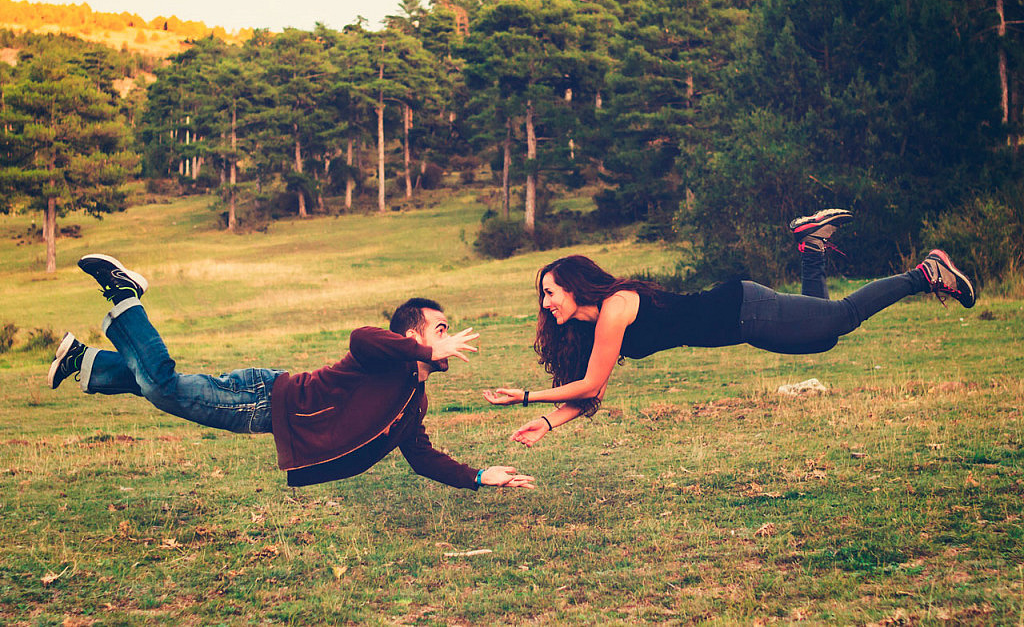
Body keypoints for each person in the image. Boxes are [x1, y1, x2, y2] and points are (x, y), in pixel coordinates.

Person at [484, 209, 976, 447]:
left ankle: (925, 273)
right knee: (824, 335)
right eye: (542, 296)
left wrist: (526, 398)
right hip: (744, 320)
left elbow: (590, 384)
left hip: (743, 308)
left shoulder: (615, 307)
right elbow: (592, 393)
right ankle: (812, 246)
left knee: (842, 318)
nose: (545, 304)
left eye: (550, 292)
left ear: (573, 287)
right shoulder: (595, 328)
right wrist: (546, 424)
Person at [49, 254, 535, 490]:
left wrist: (478, 476)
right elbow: (361, 338)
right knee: (164, 387)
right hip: (263, 396)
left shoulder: (414, 399)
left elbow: (421, 458)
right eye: (439, 328)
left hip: (263, 410)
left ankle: (85, 361)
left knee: (167, 391)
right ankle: (124, 296)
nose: (450, 338)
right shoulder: (379, 357)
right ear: (412, 338)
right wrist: (420, 349)